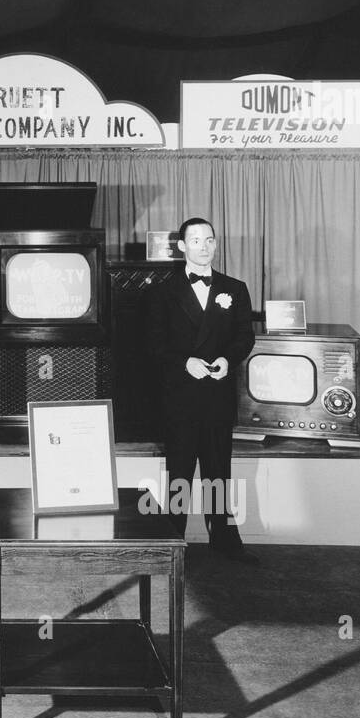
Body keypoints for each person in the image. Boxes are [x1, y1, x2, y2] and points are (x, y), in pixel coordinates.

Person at [145, 217, 257, 563]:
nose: (204, 247)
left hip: (218, 395)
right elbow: (152, 344)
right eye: (196, 241)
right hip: (179, 398)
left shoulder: (235, 288)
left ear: (215, 244)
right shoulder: (161, 292)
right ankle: (173, 543)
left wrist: (227, 359)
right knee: (179, 473)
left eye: (209, 240)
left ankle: (224, 539)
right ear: (182, 246)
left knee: (218, 470)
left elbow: (244, 336)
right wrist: (184, 362)